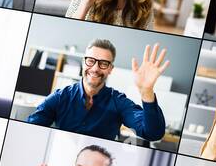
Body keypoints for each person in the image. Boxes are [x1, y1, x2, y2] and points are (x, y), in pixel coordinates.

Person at [26, 39, 169, 143]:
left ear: (110, 69)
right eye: (91, 60)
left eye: (103, 63)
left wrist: (146, 91)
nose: (95, 68)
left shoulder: (118, 102)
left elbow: (153, 133)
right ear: (83, 62)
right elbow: (30, 129)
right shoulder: (60, 97)